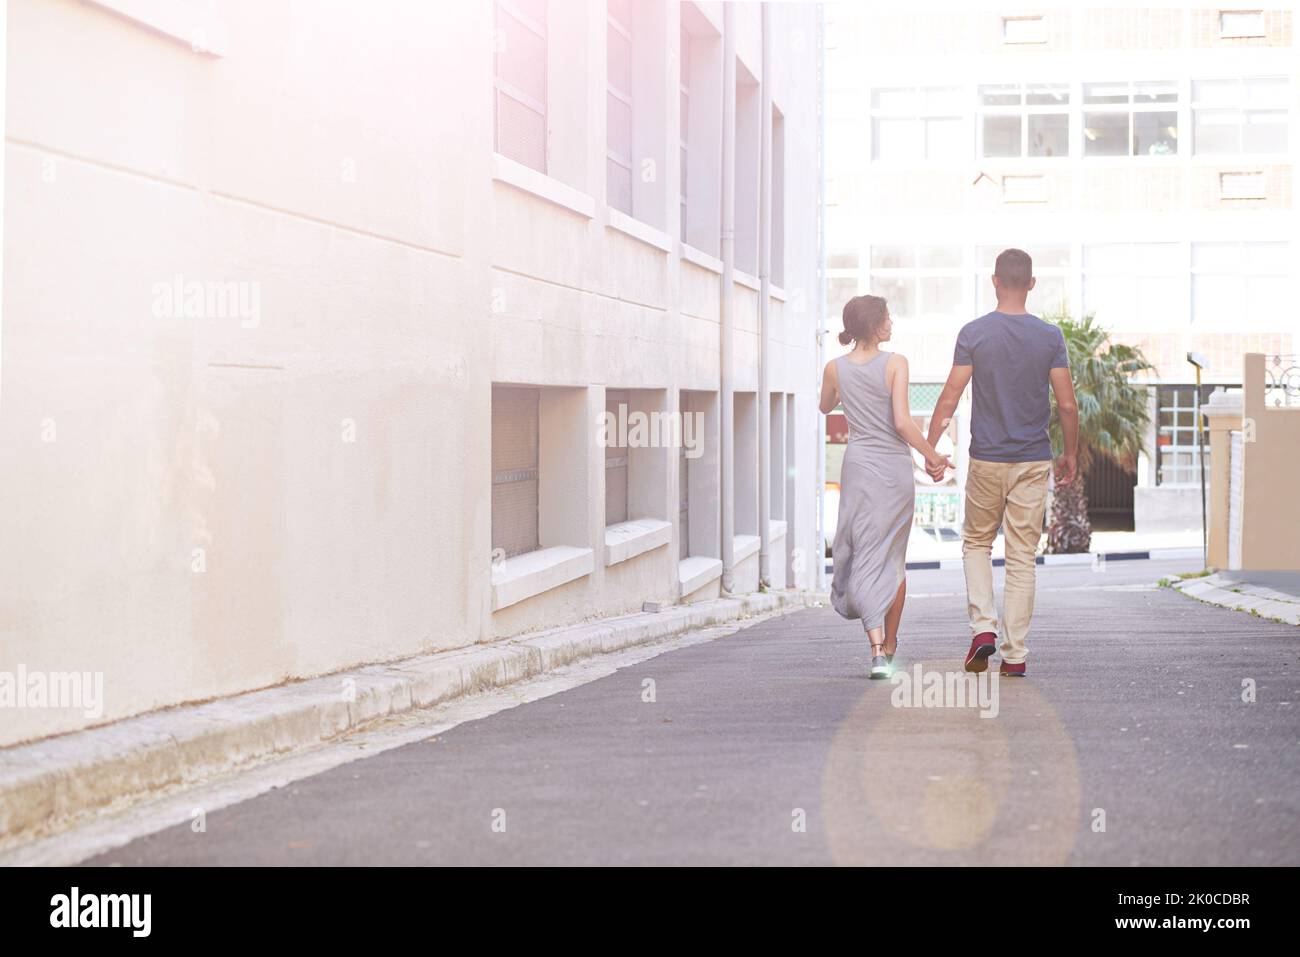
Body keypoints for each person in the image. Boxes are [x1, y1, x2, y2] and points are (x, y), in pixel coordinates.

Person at [925, 249, 1080, 677]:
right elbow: (1066, 404)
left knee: (976, 542)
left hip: (986, 459)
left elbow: (950, 397)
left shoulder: (974, 334)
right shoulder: (1050, 338)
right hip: (1032, 459)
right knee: (1021, 556)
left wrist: (931, 448)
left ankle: (982, 629)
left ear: (994, 280)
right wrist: (1071, 452)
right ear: (1031, 283)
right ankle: (1014, 655)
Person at [821, 295, 952, 678]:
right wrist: (932, 455)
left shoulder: (834, 368)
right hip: (894, 471)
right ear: (874, 324)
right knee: (892, 558)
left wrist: (842, 389)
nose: (892, 323)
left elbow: (825, 406)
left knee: (863, 551)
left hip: (859, 466)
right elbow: (902, 421)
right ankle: (889, 646)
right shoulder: (896, 364)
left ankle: (876, 647)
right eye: (887, 317)